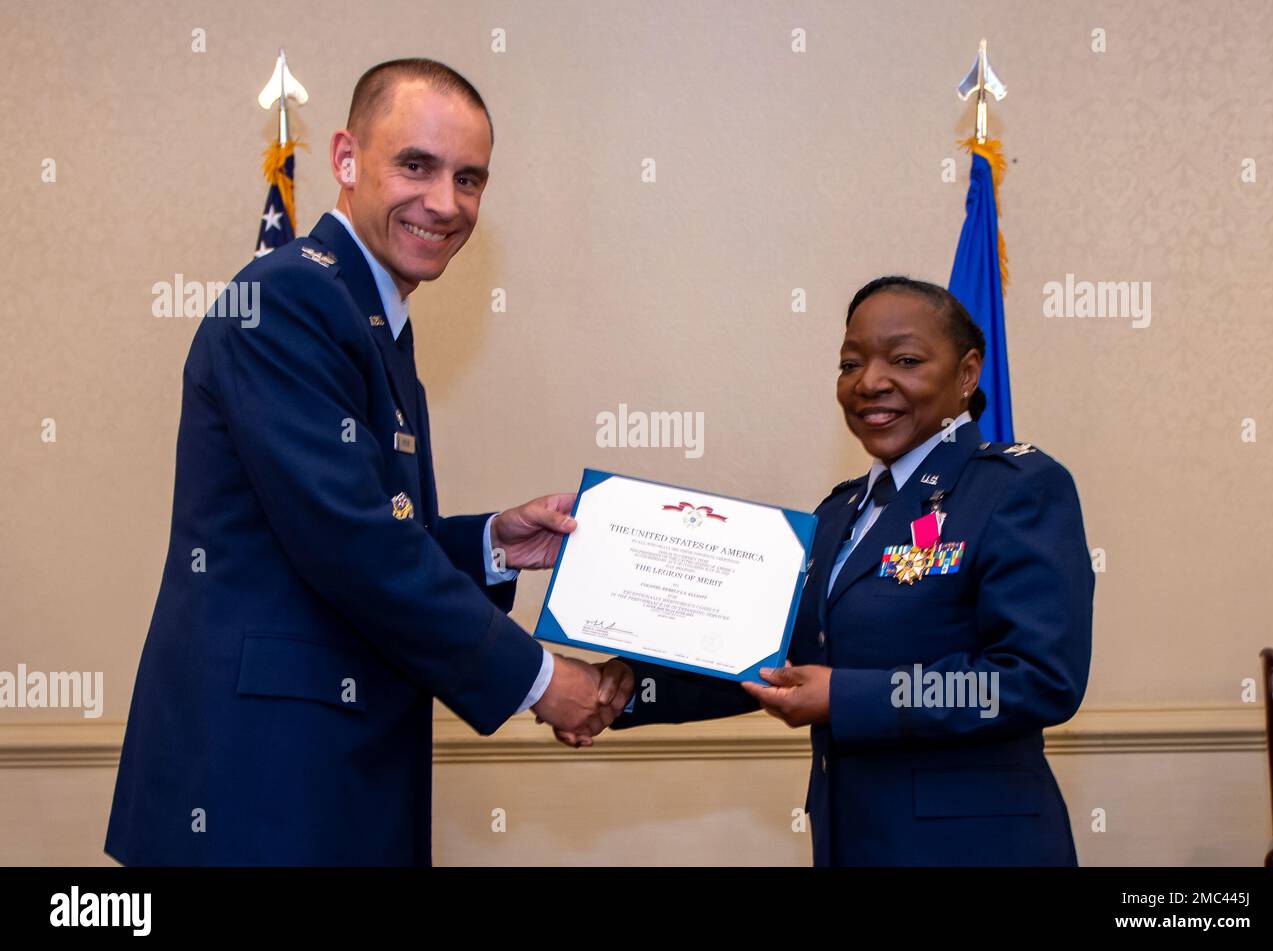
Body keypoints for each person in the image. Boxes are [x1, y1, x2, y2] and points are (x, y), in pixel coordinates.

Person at [106, 59, 632, 865]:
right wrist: (540, 680)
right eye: (415, 165)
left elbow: (362, 530)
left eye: (470, 178)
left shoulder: (369, 317)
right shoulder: (291, 298)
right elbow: (354, 546)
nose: (446, 203)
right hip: (263, 788)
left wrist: (491, 541)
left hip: (317, 775)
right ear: (346, 159)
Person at [575, 276, 1093, 866]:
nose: (870, 381)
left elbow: (1033, 679)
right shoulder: (839, 513)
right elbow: (768, 659)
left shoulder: (1015, 490)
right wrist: (616, 691)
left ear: (968, 373)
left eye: (905, 359)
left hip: (973, 848)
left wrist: (845, 696)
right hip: (853, 843)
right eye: (851, 363)